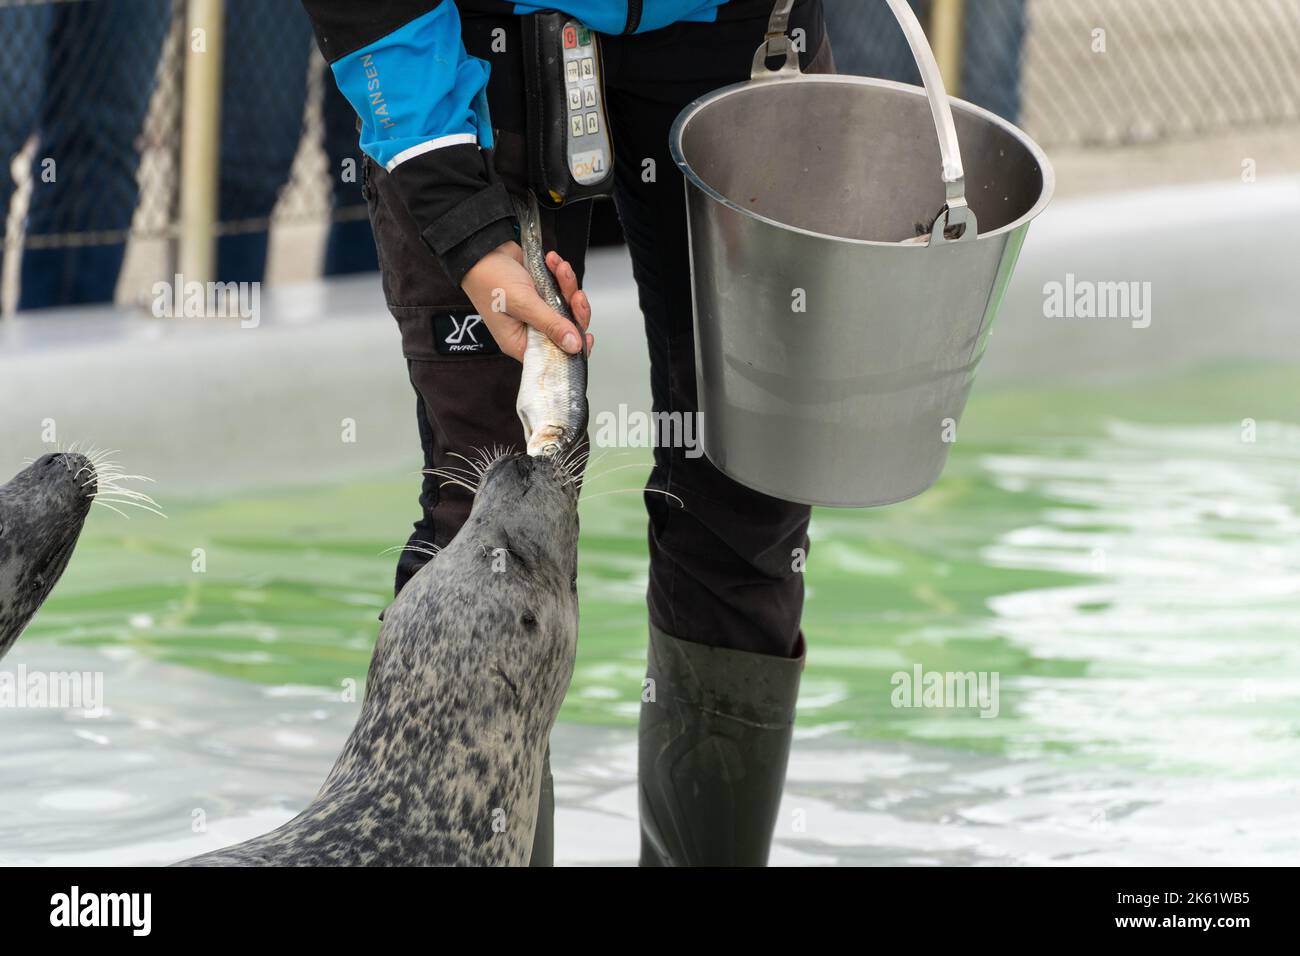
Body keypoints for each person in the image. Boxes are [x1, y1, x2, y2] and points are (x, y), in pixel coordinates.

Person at [299, 0, 833, 866]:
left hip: (740, 29)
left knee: (751, 509)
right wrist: (458, 214)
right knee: (481, 523)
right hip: (472, 44)